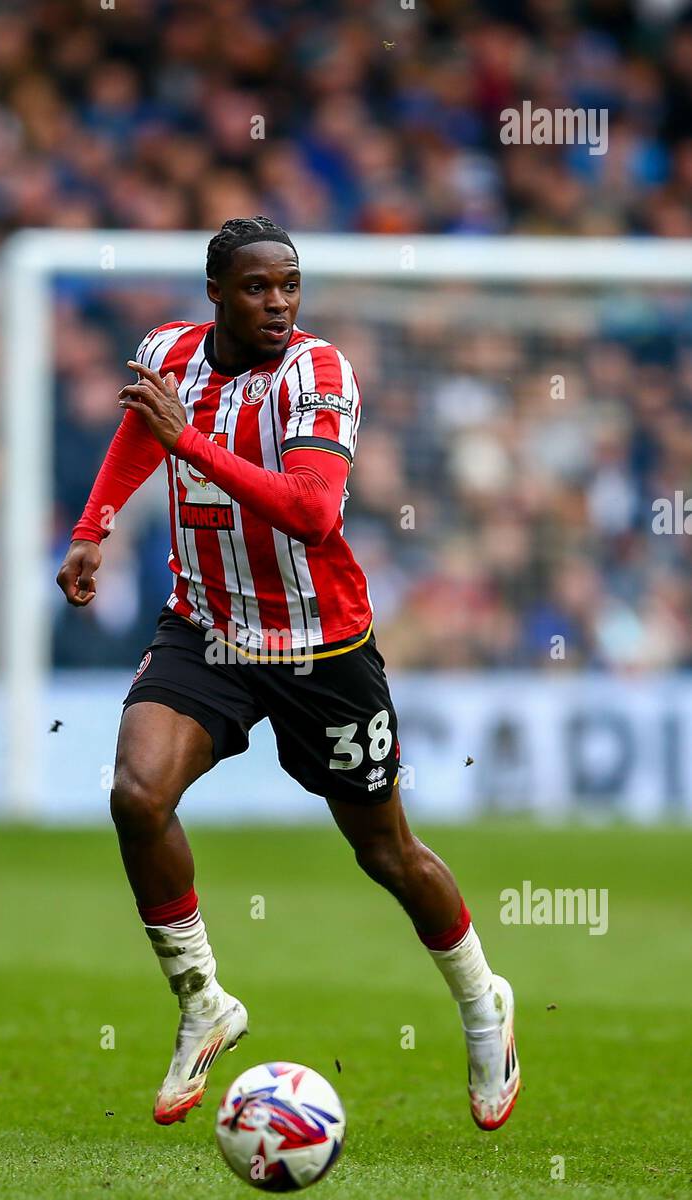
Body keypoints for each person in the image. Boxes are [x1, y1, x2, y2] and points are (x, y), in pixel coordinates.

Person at [57, 216, 520, 1129]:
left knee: (384, 851)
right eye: (259, 288)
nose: (278, 303)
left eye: (290, 286)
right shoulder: (168, 352)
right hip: (208, 625)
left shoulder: (318, 375)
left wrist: (190, 444)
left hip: (321, 644)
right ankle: (203, 1002)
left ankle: (481, 1000)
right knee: (137, 794)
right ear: (216, 293)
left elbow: (311, 513)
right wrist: (92, 526)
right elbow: (141, 438)